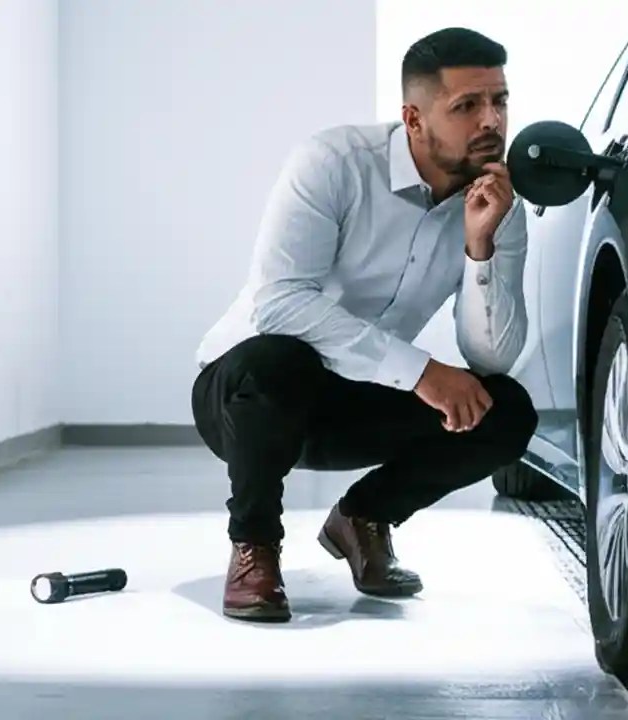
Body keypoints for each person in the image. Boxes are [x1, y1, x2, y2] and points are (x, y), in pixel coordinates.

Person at [190, 27, 538, 623]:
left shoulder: (496, 202)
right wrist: (421, 372)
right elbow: (280, 303)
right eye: (467, 106)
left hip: (351, 402)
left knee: (504, 409)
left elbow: (493, 355)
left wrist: (480, 247)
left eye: (499, 101)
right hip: (247, 397)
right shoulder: (334, 164)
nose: (492, 122)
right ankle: (254, 548)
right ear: (414, 117)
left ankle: (363, 519)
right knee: (278, 356)